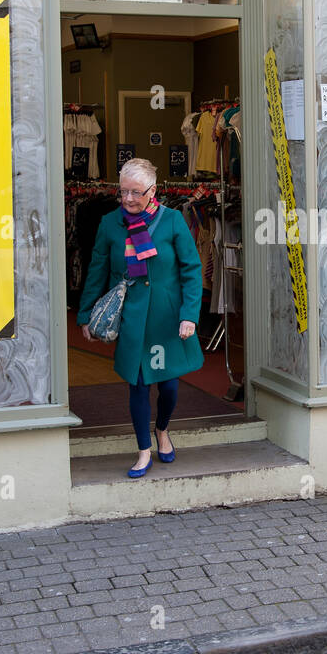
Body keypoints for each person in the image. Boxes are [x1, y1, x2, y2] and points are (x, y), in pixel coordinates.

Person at [77, 158, 204, 478]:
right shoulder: (109, 224)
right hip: (132, 318)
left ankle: (162, 429)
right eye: (123, 192)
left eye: (136, 192)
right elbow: (97, 271)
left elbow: (191, 271)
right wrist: (85, 314)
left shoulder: (173, 220)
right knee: (138, 386)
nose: (129, 199)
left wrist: (189, 315)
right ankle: (143, 450)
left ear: (153, 190)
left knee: (169, 386)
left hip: (166, 318)